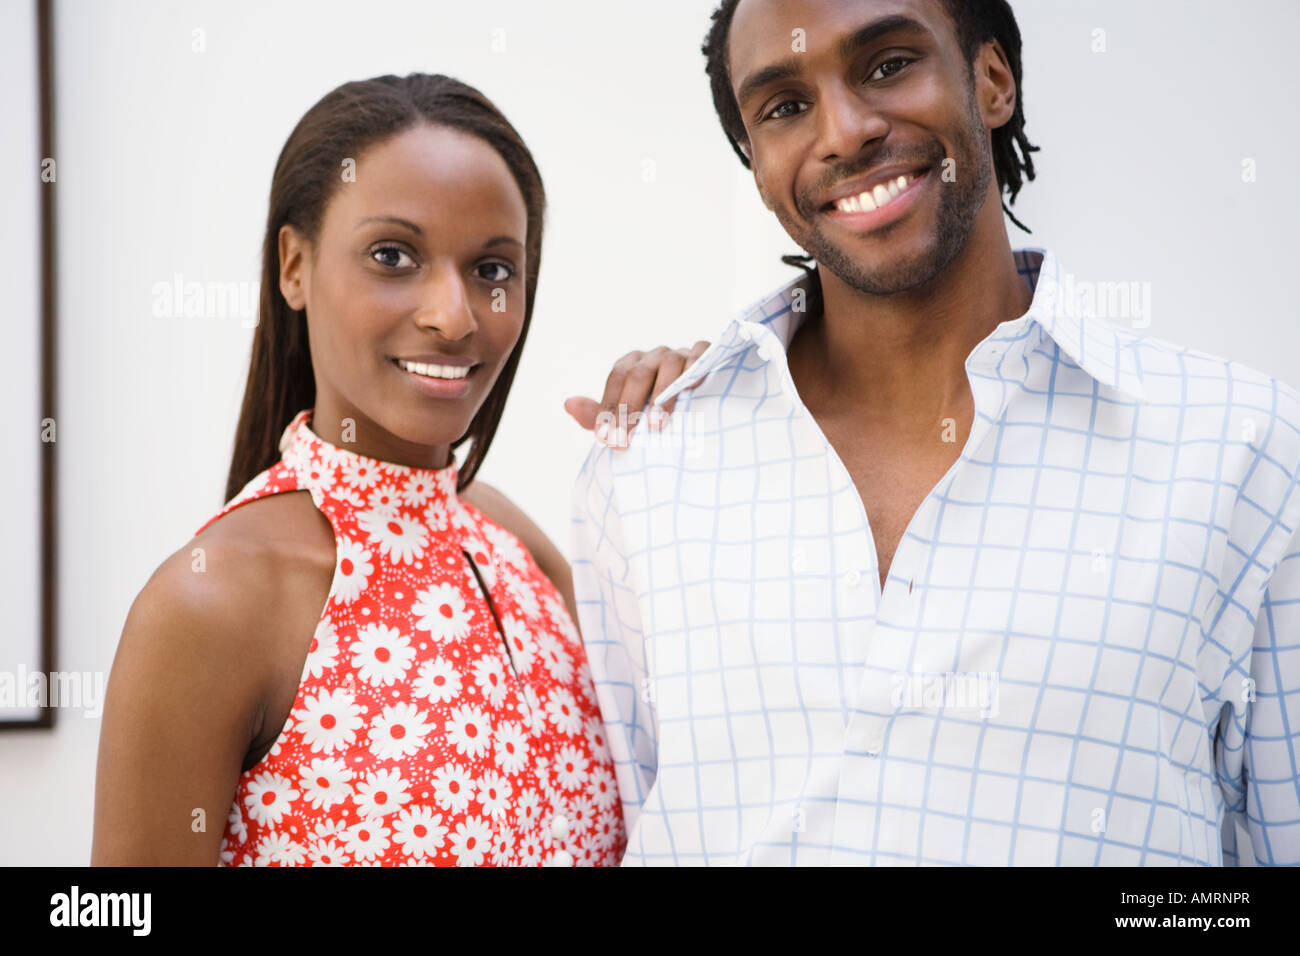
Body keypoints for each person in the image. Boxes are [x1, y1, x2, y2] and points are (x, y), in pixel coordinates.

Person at [568, 0, 1300, 866]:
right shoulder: (646, 469)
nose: (843, 132)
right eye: (784, 107)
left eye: (887, 65)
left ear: (992, 81)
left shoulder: (1242, 450)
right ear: (757, 164)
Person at [91, 73, 705, 867]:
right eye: (393, 255)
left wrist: (720, 427)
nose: (453, 316)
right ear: (294, 267)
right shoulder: (216, 600)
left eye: (492, 270)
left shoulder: (518, 546)